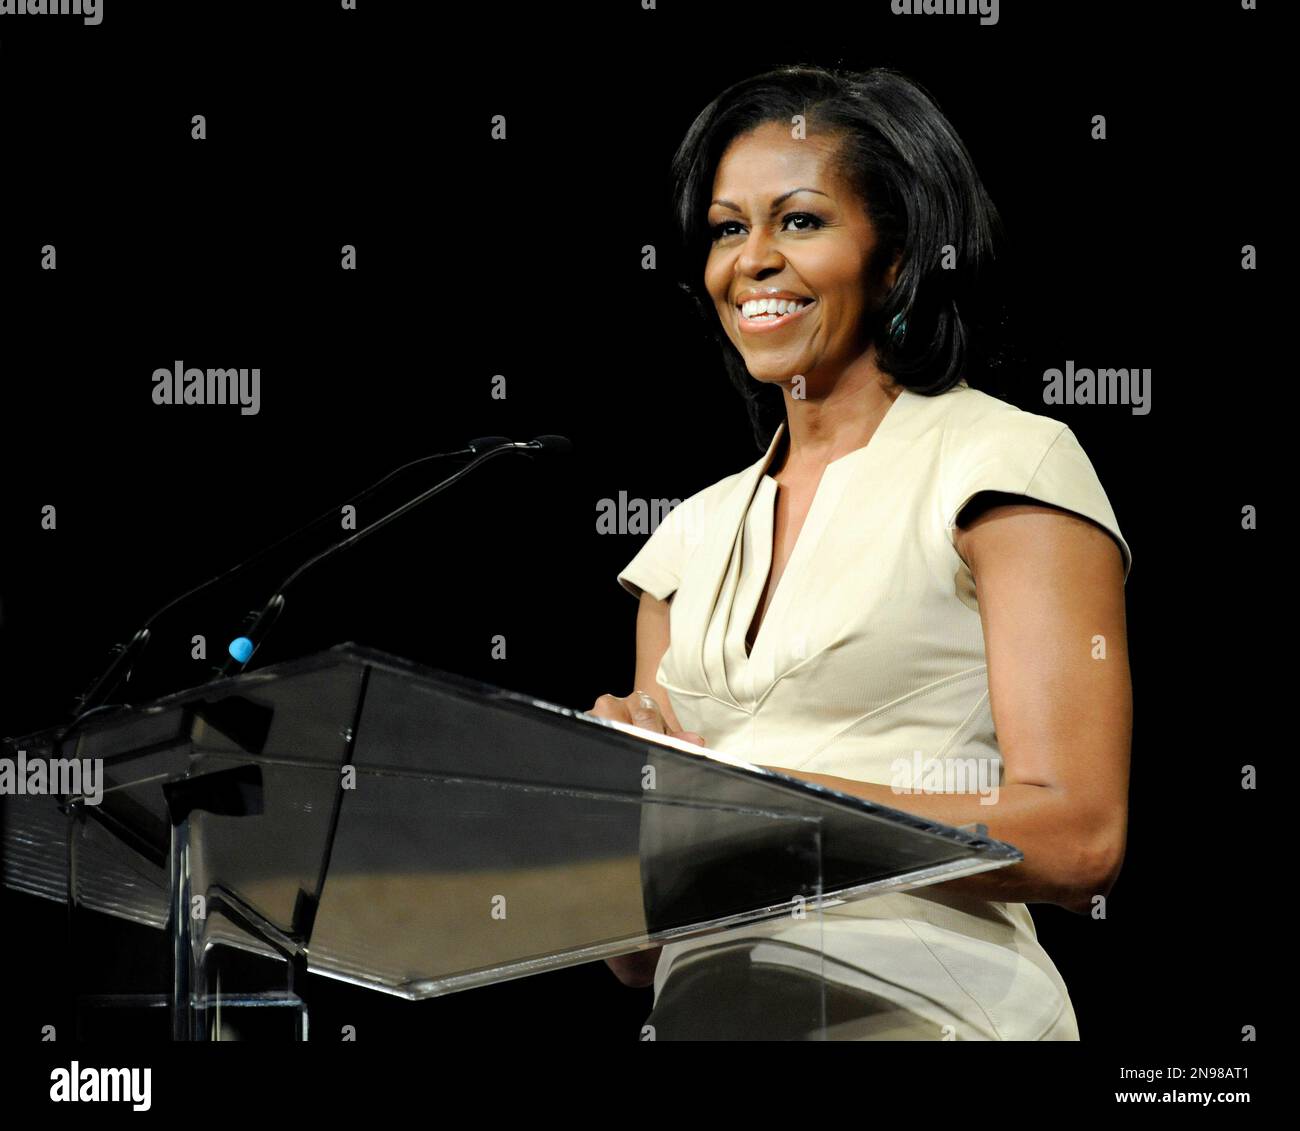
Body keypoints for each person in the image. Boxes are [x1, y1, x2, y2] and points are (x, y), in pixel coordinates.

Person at [589, 65, 1131, 1040]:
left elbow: (1079, 835)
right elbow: (635, 952)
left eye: (798, 221)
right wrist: (614, 808)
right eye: (725, 228)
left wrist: (764, 812)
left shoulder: (1003, 464)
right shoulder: (684, 541)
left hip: (929, 1012)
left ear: (897, 254)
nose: (750, 259)